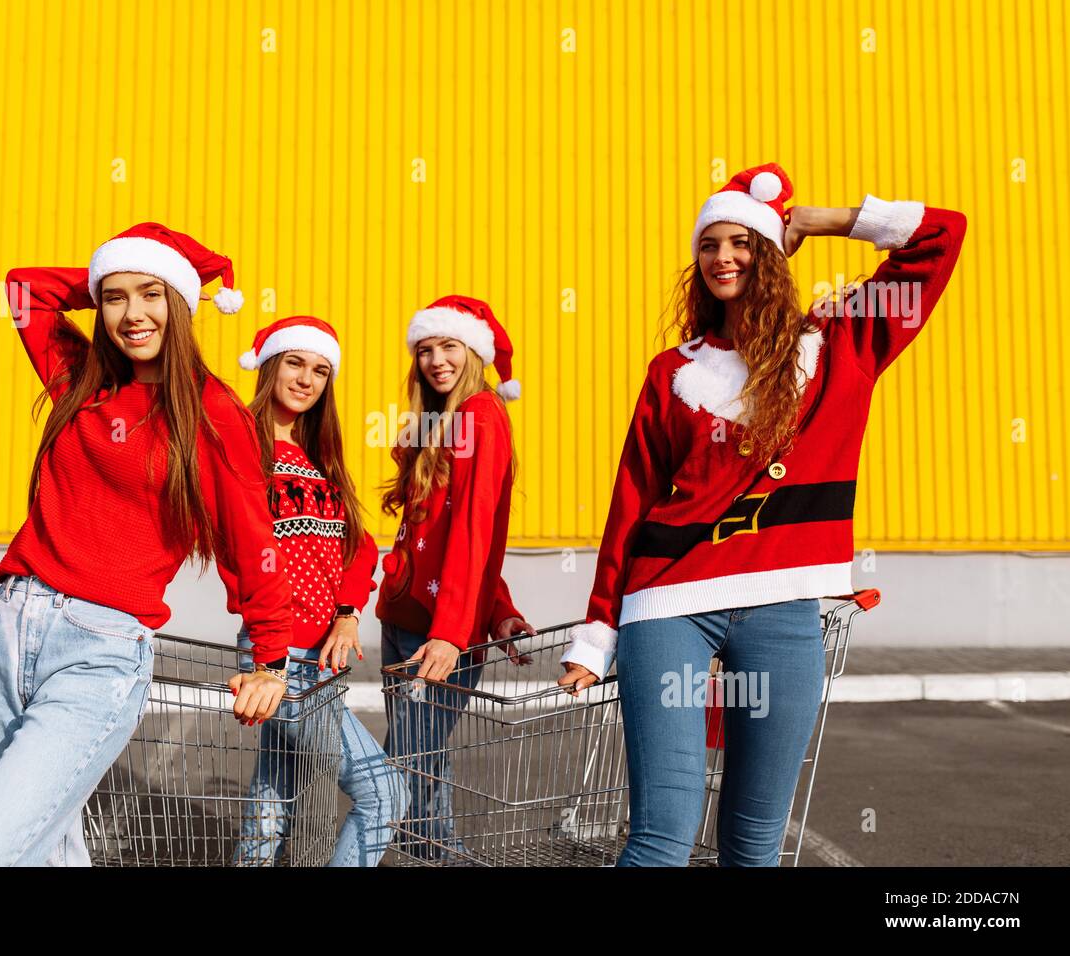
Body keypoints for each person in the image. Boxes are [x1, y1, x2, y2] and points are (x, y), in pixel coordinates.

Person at [557, 164, 968, 866]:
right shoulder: (672, 372)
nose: (724, 257)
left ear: (772, 255)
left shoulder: (840, 345)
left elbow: (942, 235)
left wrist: (827, 220)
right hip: (666, 604)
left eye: (743, 241)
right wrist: (597, 631)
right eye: (710, 244)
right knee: (661, 837)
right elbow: (631, 505)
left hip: (782, 611)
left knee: (754, 843)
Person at [0, 223, 293, 866]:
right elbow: (25, 290)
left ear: (180, 303)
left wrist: (271, 656)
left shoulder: (213, 412)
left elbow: (252, 537)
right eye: (115, 297)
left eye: (152, 294)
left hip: (97, 650)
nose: (131, 314)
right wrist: (102, 279)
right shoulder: (82, 378)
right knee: (41, 849)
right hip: (4, 632)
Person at [230, 315, 408, 866]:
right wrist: (273, 653)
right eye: (295, 363)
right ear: (269, 367)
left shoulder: (320, 460)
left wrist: (350, 612)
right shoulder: (239, 450)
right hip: (279, 657)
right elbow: (238, 553)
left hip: (322, 659)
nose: (307, 379)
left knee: (273, 796)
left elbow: (360, 546)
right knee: (385, 795)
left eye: (321, 371)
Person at [376, 294, 536, 861]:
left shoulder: (482, 416)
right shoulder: (437, 423)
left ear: (475, 352)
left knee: (394, 773)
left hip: (436, 638)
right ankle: (433, 856)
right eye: (425, 350)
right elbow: (450, 536)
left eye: (449, 347)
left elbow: (475, 531)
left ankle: (432, 858)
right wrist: (499, 610)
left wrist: (454, 630)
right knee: (420, 774)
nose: (436, 360)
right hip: (402, 621)